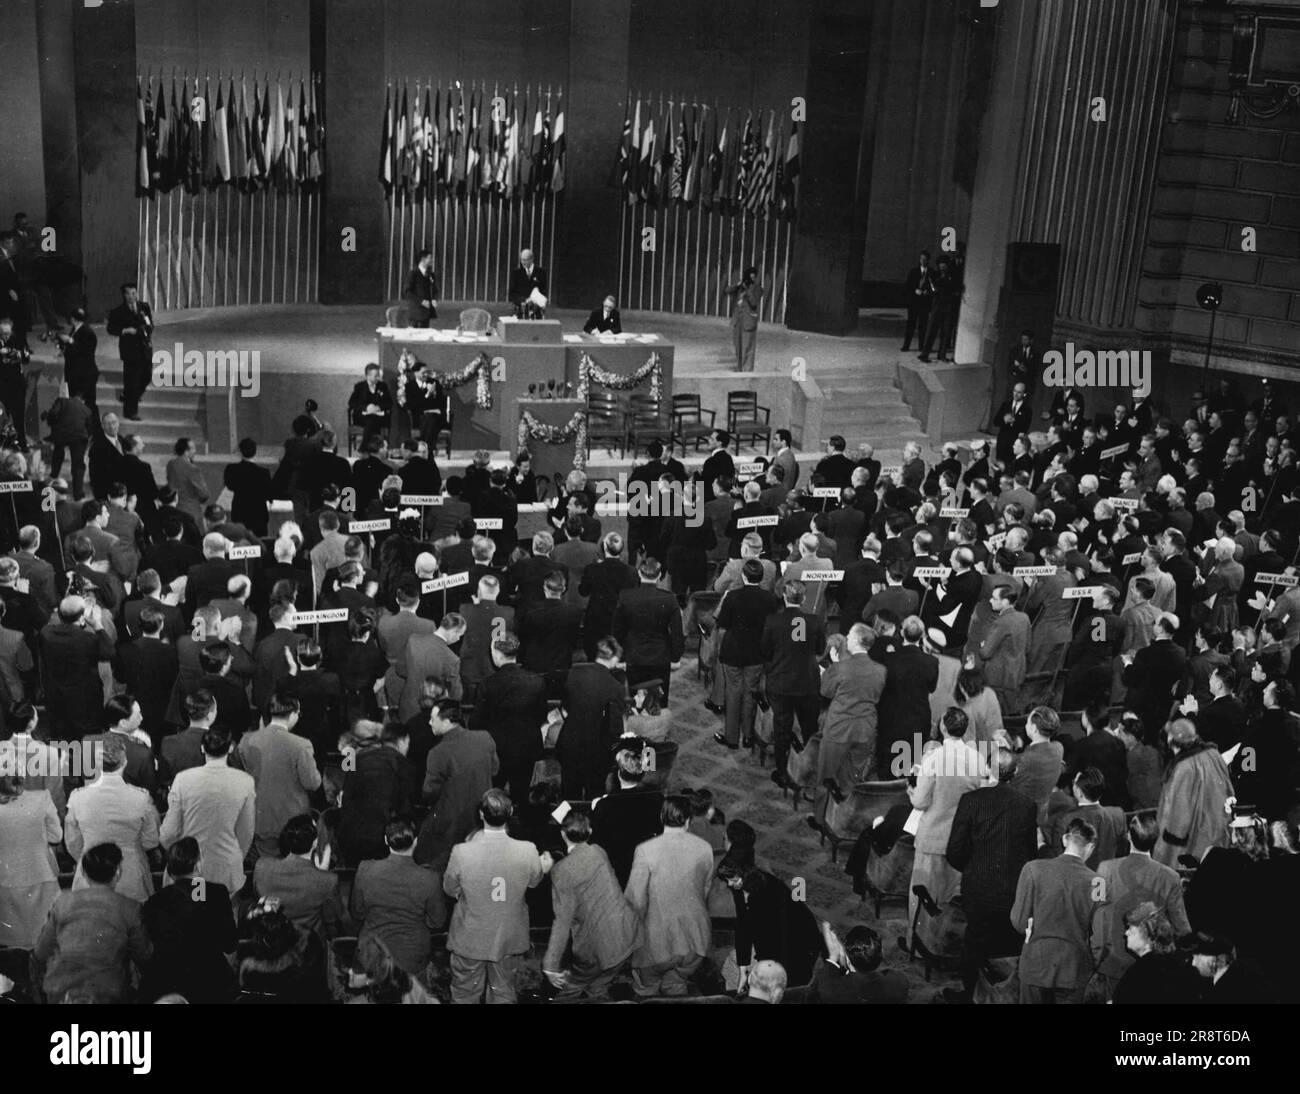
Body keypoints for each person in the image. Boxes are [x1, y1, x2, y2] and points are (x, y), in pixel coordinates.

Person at [943, 746, 1037, 1004]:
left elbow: (954, 850)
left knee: (975, 942)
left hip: (978, 889)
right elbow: (1030, 853)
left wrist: (972, 870)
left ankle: (970, 995)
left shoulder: (971, 800)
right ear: (1014, 773)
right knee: (1006, 945)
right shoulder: (1027, 805)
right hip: (1012, 890)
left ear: (987, 768)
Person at [444, 788, 547, 1004]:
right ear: (510, 813)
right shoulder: (528, 850)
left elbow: (449, 889)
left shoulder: (461, 851)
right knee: (503, 991)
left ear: (481, 814)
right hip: (509, 936)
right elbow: (534, 882)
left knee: (464, 993)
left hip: (470, 937)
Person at [33, 843, 153, 1004]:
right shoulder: (130, 907)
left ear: (83, 873)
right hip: (107, 992)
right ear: (118, 872)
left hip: (60, 990)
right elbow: (144, 954)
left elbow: (41, 952)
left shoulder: (62, 902)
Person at [542, 809, 642, 1000]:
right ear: (589, 832)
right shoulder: (598, 851)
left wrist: (550, 964)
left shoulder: (561, 871)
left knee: (568, 990)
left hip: (596, 949)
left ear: (563, 834)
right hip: (625, 938)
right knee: (598, 986)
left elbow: (562, 921)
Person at [1091, 811, 1191, 1000]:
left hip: (1112, 964)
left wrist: (1097, 956)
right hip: (1154, 968)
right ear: (1156, 838)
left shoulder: (1104, 869)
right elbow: (1182, 928)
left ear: (1129, 836)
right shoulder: (1171, 877)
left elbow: (1094, 915)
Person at [907, 707, 988, 937]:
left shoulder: (933, 758)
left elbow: (920, 801)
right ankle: (941, 940)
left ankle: (916, 941)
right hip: (962, 840)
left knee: (922, 894)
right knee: (950, 898)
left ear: (943, 727)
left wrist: (911, 790)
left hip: (933, 837)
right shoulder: (978, 758)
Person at [625, 795, 713, 997]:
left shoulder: (645, 850)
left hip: (657, 943)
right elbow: (704, 890)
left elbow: (635, 901)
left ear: (661, 817)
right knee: (676, 985)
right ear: (689, 819)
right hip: (695, 941)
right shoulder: (705, 848)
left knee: (646, 989)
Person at [159, 726, 256, 902]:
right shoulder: (245, 781)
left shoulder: (183, 779)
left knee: (191, 913)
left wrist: (179, 853)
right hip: (225, 867)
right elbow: (246, 832)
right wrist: (234, 857)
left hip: (188, 868)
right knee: (222, 915)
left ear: (203, 748)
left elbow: (169, 833)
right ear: (230, 748)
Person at [1010, 817, 1100, 1004]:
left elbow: (1018, 922)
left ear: (1065, 839)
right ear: (1090, 847)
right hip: (1074, 969)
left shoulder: (1032, 869)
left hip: (1036, 964)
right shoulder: (1099, 883)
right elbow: (1098, 933)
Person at [139, 838, 238, 1003]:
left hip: (167, 984)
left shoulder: (155, 901)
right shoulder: (216, 892)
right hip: (211, 983)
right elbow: (230, 943)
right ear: (198, 865)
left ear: (170, 870)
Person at [64, 734, 160, 903]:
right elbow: (151, 840)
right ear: (124, 762)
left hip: (90, 874)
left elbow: (72, 842)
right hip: (131, 875)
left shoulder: (78, 797)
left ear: (97, 763)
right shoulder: (141, 798)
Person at [351, 818, 446, 978]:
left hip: (371, 952)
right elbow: (438, 921)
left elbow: (357, 912)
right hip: (412, 956)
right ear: (416, 841)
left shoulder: (365, 869)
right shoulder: (430, 878)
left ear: (385, 840)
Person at [415, 698, 499, 872]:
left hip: (452, 821)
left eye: (433, 719)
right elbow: (495, 770)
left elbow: (429, 792)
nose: (429, 722)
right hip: (484, 814)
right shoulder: (485, 738)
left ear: (446, 722)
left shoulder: (437, 752)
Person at [237, 692, 323, 857]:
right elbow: (312, 783)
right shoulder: (301, 745)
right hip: (294, 823)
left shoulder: (246, 741)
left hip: (260, 818)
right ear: (293, 714)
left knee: (266, 864)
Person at [762, 580, 827, 785]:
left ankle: (782, 772)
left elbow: (765, 652)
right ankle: (808, 772)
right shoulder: (815, 621)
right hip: (808, 683)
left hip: (781, 683)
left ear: (784, 596)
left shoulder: (773, 621)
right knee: (809, 728)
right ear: (804, 599)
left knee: (782, 727)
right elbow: (820, 650)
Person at [713, 558, 780, 751]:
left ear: (743, 576)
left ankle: (731, 738)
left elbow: (723, 625)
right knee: (751, 692)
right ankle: (749, 736)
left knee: (733, 692)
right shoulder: (770, 599)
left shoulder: (732, 596)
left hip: (733, 652)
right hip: (757, 654)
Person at [721, 866, 822, 991]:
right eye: (727, 880)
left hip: (797, 945)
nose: (729, 884)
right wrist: (743, 969)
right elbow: (743, 924)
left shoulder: (769, 896)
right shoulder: (742, 884)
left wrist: (764, 971)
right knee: (734, 965)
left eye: (733, 880)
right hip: (776, 941)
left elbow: (770, 943)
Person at [1154, 718, 1233, 869]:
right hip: (1219, 832)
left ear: (1172, 742)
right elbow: (1228, 789)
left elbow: (1179, 813)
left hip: (1194, 843)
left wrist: (1167, 846)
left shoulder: (1183, 767)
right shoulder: (1214, 754)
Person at [0, 770, 62, 950]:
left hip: (5, 880)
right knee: (46, 937)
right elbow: (56, 836)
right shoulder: (42, 798)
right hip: (42, 874)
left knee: (11, 944)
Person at [611, 556, 684, 698]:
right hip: (660, 656)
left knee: (635, 699)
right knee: (658, 700)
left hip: (633, 654)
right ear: (660, 576)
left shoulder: (625, 596)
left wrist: (619, 656)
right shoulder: (670, 598)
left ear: (639, 573)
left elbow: (617, 630)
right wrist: (676, 657)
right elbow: (677, 633)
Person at [1111, 902, 1203, 1004]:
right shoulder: (1181, 966)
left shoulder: (1140, 972)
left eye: (1130, 928)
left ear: (1146, 933)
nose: (1126, 933)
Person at [805, 924, 909, 1004]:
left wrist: (833, 956)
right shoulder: (900, 982)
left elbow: (820, 989)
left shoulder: (832, 990)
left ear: (848, 960)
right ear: (882, 953)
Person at [105, 282, 153, 420]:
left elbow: (150, 324)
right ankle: (130, 412)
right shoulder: (118, 312)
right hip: (130, 351)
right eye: (128, 294)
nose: (131, 296)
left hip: (144, 347)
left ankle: (130, 396)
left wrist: (146, 330)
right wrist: (124, 330)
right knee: (132, 381)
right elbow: (110, 329)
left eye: (134, 293)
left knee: (147, 375)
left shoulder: (144, 307)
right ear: (123, 295)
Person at [44, 383, 93, 500]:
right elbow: (90, 428)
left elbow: (53, 414)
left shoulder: (62, 401)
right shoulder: (87, 410)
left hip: (61, 435)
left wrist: (53, 425)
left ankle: (54, 474)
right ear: (83, 399)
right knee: (78, 464)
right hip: (79, 437)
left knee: (58, 452)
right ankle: (78, 493)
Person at [724, 265, 763, 371]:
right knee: (738, 346)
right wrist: (737, 285)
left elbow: (754, 302)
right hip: (738, 320)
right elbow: (727, 290)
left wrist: (747, 290)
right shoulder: (740, 287)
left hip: (749, 321)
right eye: (749, 277)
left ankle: (747, 370)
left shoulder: (758, 288)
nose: (751, 279)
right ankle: (740, 368)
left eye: (753, 277)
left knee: (748, 347)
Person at [167, 437, 210, 528]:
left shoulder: (171, 464)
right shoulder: (192, 469)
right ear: (186, 452)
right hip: (191, 511)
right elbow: (204, 494)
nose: (195, 451)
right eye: (193, 448)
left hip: (175, 508)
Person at [348, 363, 394, 444]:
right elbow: (352, 403)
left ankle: (366, 446)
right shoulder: (359, 387)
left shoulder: (383, 386)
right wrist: (366, 407)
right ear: (368, 376)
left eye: (378, 375)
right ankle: (375, 445)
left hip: (379, 416)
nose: (378, 378)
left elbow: (389, 403)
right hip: (362, 417)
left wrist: (378, 407)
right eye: (375, 376)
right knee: (371, 420)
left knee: (373, 420)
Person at [402, 247, 439, 326]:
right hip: (415, 314)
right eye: (430, 258)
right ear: (423, 259)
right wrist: (421, 301)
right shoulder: (413, 274)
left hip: (426, 314)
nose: (432, 260)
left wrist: (434, 299)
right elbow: (407, 292)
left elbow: (434, 290)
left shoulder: (431, 275)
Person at [508, 248, 548, 318]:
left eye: (525, 260)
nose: (523, 262)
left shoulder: (541, 272)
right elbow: (511, 294)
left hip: (537, 312)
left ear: (531, 259)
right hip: (520, 312)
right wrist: (525, 300)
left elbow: (544, 291)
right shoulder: (516, 273)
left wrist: (537, 300)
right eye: (522, 260)